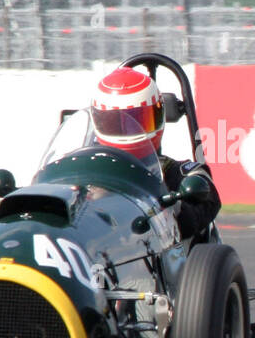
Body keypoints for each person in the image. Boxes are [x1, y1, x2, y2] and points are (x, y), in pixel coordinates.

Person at [89, 66, 220, 240]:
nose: (128, 131)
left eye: (138, 120)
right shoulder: (88, 173)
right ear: (98, 121)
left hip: (161, 257)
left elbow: (207, 204)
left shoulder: (182, 173)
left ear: (160, 115)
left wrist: (170, 207)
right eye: (115, 122)